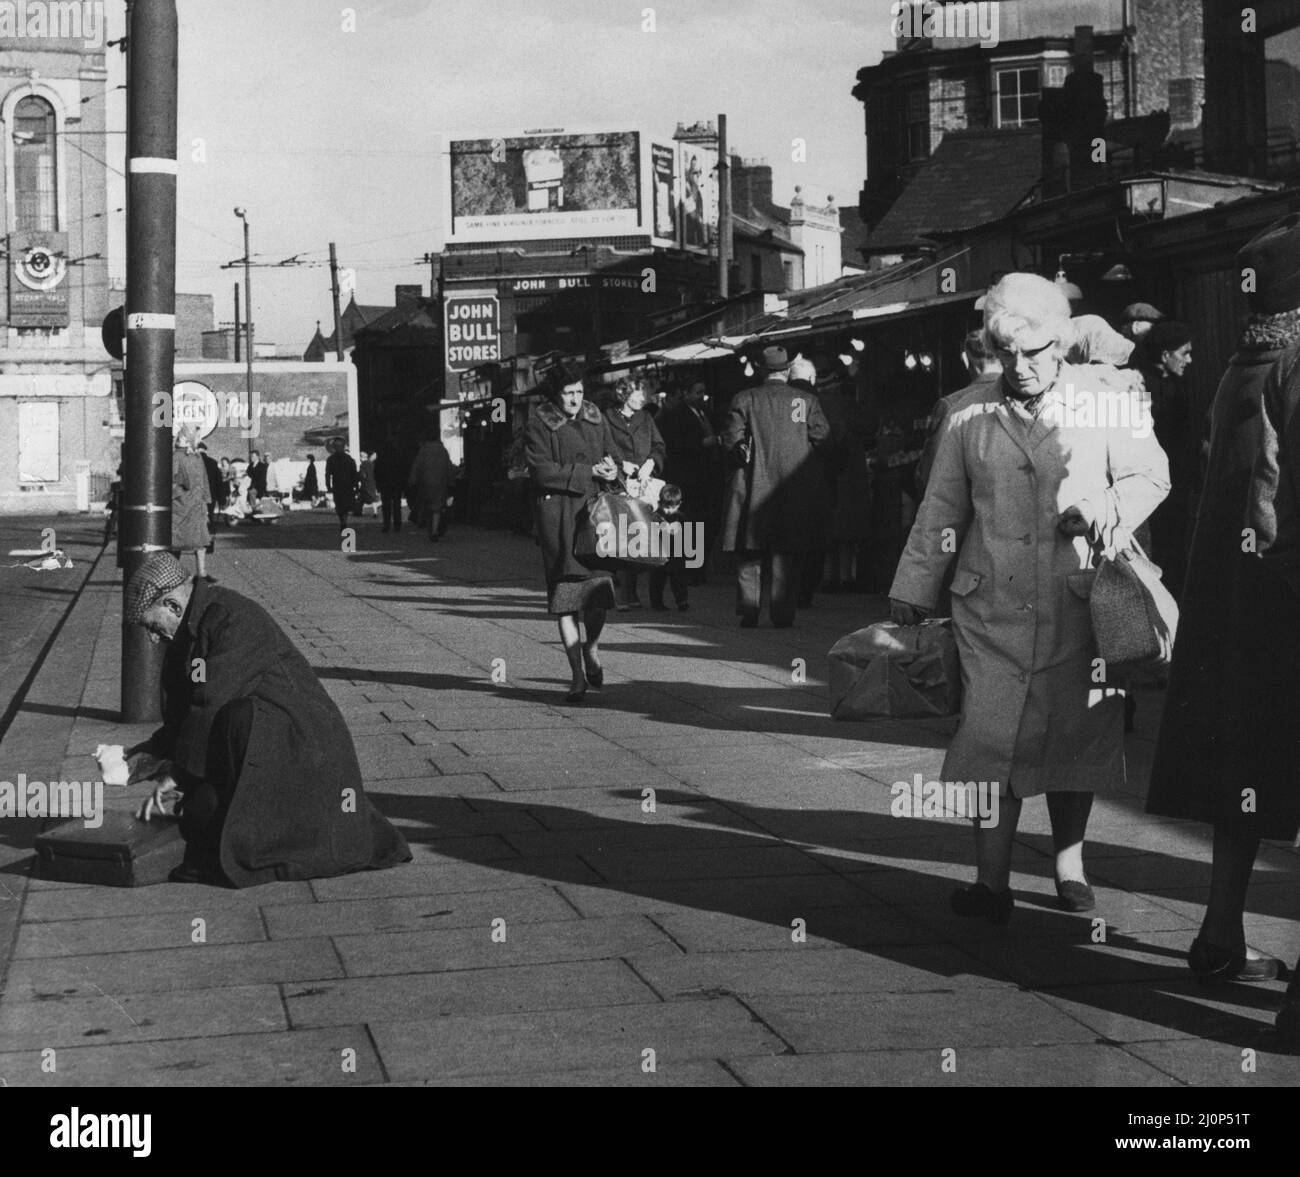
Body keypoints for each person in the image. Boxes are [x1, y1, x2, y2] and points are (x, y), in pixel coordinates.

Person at [890, 272, 1169, 923]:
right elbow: (941, 510)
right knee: (990, 740)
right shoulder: (967, 414)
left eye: (1034, 352)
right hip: (988, 606)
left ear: (1061, 341)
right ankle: (991, 883)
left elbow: (1151, 474)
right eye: (1006, 352)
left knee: (1076, 739)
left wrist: (1100, 509)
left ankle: (1069, 864)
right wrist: (913, 587)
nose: (1019, 366)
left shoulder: (1105, 400)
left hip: (1081, 605)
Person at [1146, 214, 1300, 1019]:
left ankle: (1218, 930)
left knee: (1243, 773)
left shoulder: (1241, 364)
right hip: (1282, 597)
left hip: (1231, 603)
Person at [125, 552, 411, 886]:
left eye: (152, 626)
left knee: (206, 821)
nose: (153, 638)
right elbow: (185, 715)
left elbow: (210, 705)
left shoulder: (232, 617)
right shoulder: (195, 624)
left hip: (299, 746)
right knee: (197, 820)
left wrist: (177, 773)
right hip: (259, 745)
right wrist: (141, 759)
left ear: (173, 605)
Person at [719, 345, 831, 628]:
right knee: (786, 555)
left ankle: (749, 611)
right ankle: (782, 613)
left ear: (761, 370)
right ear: (787, 370)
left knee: (749, 553)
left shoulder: (744, 399)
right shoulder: (806, 401)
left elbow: (732, 440)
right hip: (793, 488)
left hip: (753, 486)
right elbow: (823, 438)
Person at [525, 369, 618, 703]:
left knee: (598, 596)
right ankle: (577, 676)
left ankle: (591, 647)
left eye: (579, 391)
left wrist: (612, 469)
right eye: (568, 393)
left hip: (594, 517)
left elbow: (611, 454)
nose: (575, 399)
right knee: (566, 603)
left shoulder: (595, 417)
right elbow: (541, 471)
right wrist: (587, 471)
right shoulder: (539, 423)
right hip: (560, 519)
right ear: (556, 395)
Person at [1136, 319, 1194, 596]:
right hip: (1151, 480)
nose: (1189, 360)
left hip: (1176, 479)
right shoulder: (1139, 387)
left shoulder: (1177, 385)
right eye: (1184, 353)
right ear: (1164, 355)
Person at [603, 377, 666, 610]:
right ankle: (623, 593)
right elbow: (602, 446)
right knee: (624, 536)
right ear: (623, 394)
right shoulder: (606, 418)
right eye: (637, 393)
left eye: (643, 393)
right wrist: (621, 464)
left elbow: (659, 445)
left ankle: (631, 590)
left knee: (639, 535)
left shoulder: (646, 418)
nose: (643, 398)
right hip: (617, 485)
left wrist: (651, 461)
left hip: (642, 485)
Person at [657, 380, 721, 584]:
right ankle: (687, 570)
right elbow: (673, 444)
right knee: (691, 525)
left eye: (703, 392)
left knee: (705, 524)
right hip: (688, 479)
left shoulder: (706, 413)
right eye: (697, 392)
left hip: (707, 479)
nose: (701, 396)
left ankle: (697, 569)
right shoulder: (676, 416)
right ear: (686, 393)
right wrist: (701, 443)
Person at [787, 356, 834, 609]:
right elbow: (824, 439)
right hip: (812, 479)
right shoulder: (816, 400)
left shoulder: (775, 398)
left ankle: (786, 590)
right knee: (812, 540)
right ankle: (804, 592)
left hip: (780, 481)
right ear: (812, 378)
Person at [172, 427, 213, 581]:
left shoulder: (197, 456)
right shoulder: (177, 456)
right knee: (177, 542)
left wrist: (206, 501)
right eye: (197, 436)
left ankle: (202, 573)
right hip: (182, 506)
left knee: (201, 540)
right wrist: (180, 495)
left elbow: (204, 480)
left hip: (197, 505)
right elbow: (170, 481)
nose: (199, 439)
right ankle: (172, 574)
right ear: (187, 438)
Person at [648, 483, 690, 611]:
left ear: (679, 504)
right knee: (657, 578)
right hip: (659, 552)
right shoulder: (655, 516)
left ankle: (682, 600)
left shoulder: (681, 517)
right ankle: (656, 602)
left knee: (679, 577)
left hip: (676, 552)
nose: (668, 510)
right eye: (666, 507)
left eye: (672, 507)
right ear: (659, 503)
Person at [408, 434, 453, 542]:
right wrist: (450, 481)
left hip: (426, 482)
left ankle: (430, 528)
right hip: (441, 482)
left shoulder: (424, 451)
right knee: (438, 508)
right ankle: (435, 530)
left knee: (428, 507)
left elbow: (417, 466)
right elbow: (449, 467)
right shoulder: (443, 451)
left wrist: (412, 480)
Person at [374, 440, 410, 534]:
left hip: (385, 484)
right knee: (396, 505)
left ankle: (386, 524)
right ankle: (397, 525)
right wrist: (403, 485)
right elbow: (403, 472)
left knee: (386, 506)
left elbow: (377, 472)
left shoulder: (381, 459)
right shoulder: (398, 458)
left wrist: (378, 484)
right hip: (396, 484)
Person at [325, 437, 359, 533]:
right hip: (344, 486)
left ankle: (343, 522)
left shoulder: (332, 459)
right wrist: (356, 486)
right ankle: (343, 521)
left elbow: (328, 474)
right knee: (343, 505)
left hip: (341, 485)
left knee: (341, 505)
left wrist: (328, 486)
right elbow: (354, 474)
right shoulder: (348, 459)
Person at [359, 451, 378, 516]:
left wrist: (361, 480)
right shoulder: (372, 464)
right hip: (372, 483)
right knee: (373, 498)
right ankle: (375, 512)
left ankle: (361, 512)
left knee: (362, 498)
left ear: (362, 457)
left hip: (365, 484)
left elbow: (362, 475)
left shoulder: (362, 465)